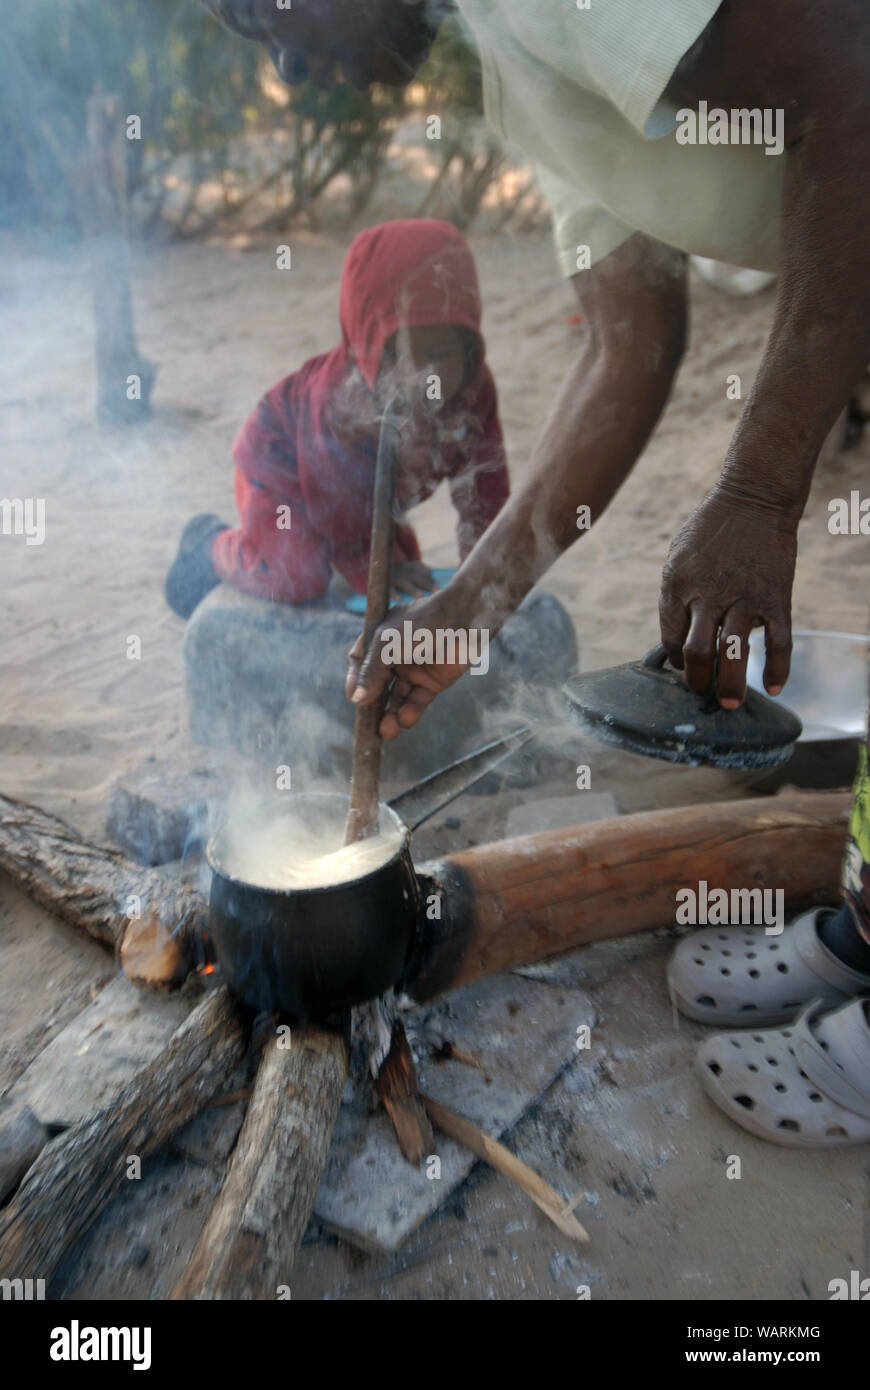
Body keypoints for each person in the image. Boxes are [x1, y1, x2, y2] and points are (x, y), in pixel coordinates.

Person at [198, 0, 870, 1146]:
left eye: (269, 14)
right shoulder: (499, 57)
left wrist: (759, 490)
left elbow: (855, 89)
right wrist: (467, 608)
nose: (291, 59)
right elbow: (630, 341)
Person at [165, 218, 508, 617]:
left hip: (364, 494)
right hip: (281, 468)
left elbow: (486, 487)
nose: (420, 377)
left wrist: (484, 567)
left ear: (468, 348)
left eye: (440, 355)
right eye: (396, 355)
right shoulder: (341, 397)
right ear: (365, 346)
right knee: (298, 575)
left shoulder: (473, 390)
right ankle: (207, 546)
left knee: (404, 567)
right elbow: (332, 494)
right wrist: (368, 567)